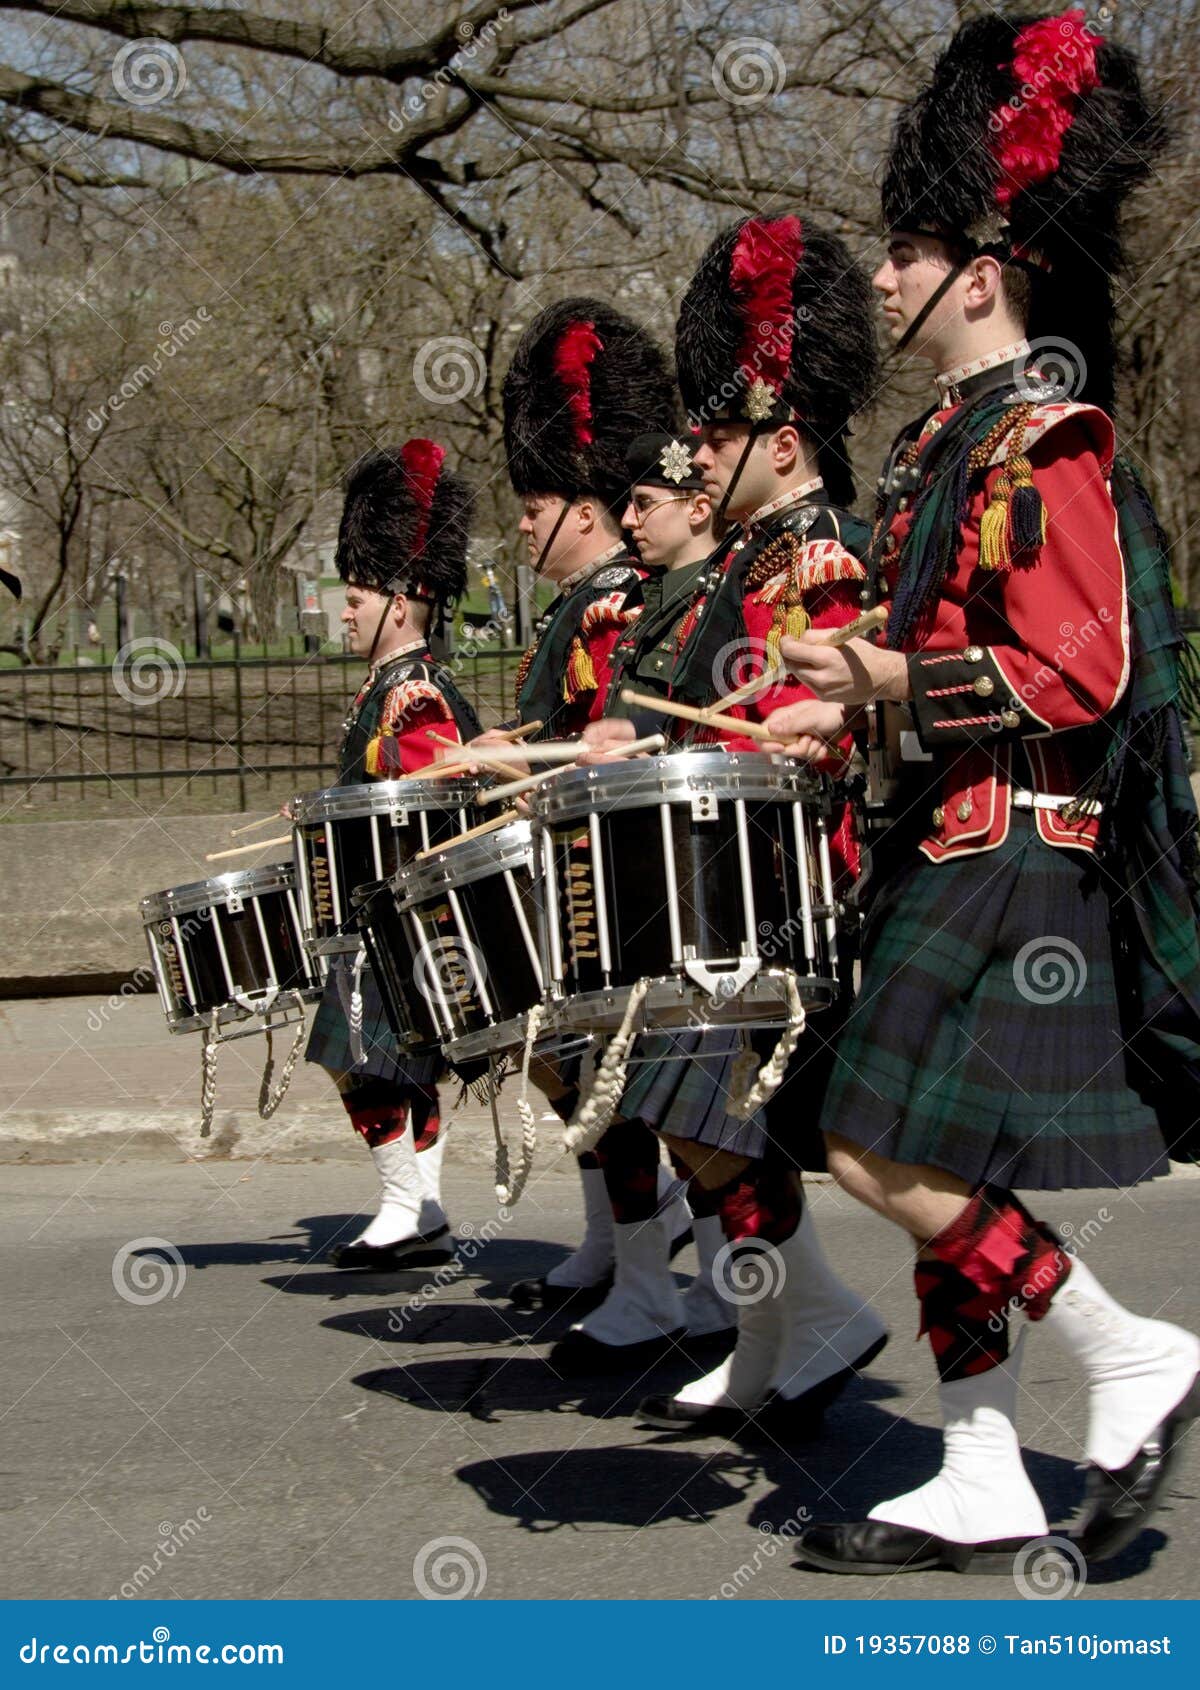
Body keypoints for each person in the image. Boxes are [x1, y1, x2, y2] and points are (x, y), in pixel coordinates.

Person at [764, 11, 1200, 1573]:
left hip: (1017, 847)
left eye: (907, 248)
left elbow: (1080, 673)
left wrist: (890, 683)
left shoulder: (1045, 436)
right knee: (949, 1163)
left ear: (984, 267)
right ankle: (980, 1467)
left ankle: (1132, 1349)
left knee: (877, 1149)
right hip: (953, 827)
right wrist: (835, 698)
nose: (881, 278)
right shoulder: (950, 441)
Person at [580, 215, 889, 1431]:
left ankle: (805, 1315)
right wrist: (632, 742)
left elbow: (817, 715)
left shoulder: (816, 557)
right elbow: (711, 713)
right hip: (716, 872)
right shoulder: (735, 564)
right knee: (685, 1111)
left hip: (785, 878)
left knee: (709, 1108)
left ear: (786, 437)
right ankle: (784, 1322)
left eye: (714, 435)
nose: (696, 456)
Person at [489, 298, 696, 1319]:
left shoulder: (620, 600)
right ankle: (616, 1240)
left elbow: (616, 733)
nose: (522, 527)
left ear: (581, 504)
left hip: (605, 874)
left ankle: (653, 1272)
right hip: (566, 863)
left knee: (603, 1073)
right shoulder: (580, 604)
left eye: (533, 508)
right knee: (566, 1064)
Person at [304, 441, 482, 1271]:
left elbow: (431, 795)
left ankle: (407, 1205)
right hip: (381, 911)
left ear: (404, 602)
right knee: (398, 1068)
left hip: (397, 914)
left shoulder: (414, 692)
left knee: (361, 1064)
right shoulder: (386, 686)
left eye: (359, 592)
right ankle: (421, 1208)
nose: (343, 609)